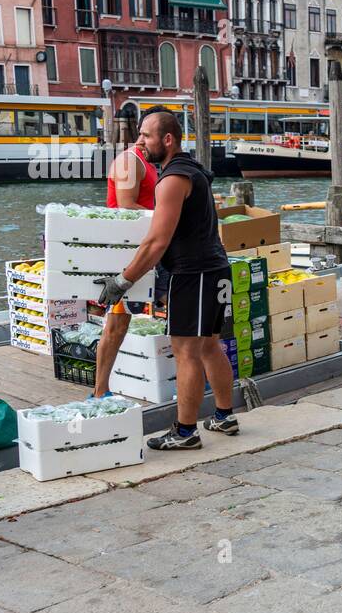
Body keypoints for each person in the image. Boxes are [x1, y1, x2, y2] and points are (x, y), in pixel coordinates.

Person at [95, 110, 236, 450]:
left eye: (146, 135)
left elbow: (156, 242)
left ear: (167, 139)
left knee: (185, 351)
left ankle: (185, 433)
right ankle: (224, 415)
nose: (140, 141)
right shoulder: (193, 170)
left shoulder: (172, 179)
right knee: (208, 346)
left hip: (192, 274)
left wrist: (122, 281)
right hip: (215, 268)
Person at [91, 119, 161, 398]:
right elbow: (125, 205)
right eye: (141, 134)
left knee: (119, 322)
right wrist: (167, 219)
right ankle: (99, 391)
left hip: (146, 245)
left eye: (148, 135)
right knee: (117, 323)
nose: (143, 140)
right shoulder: (129, 162)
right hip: (129, 250)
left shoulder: (148, 161)